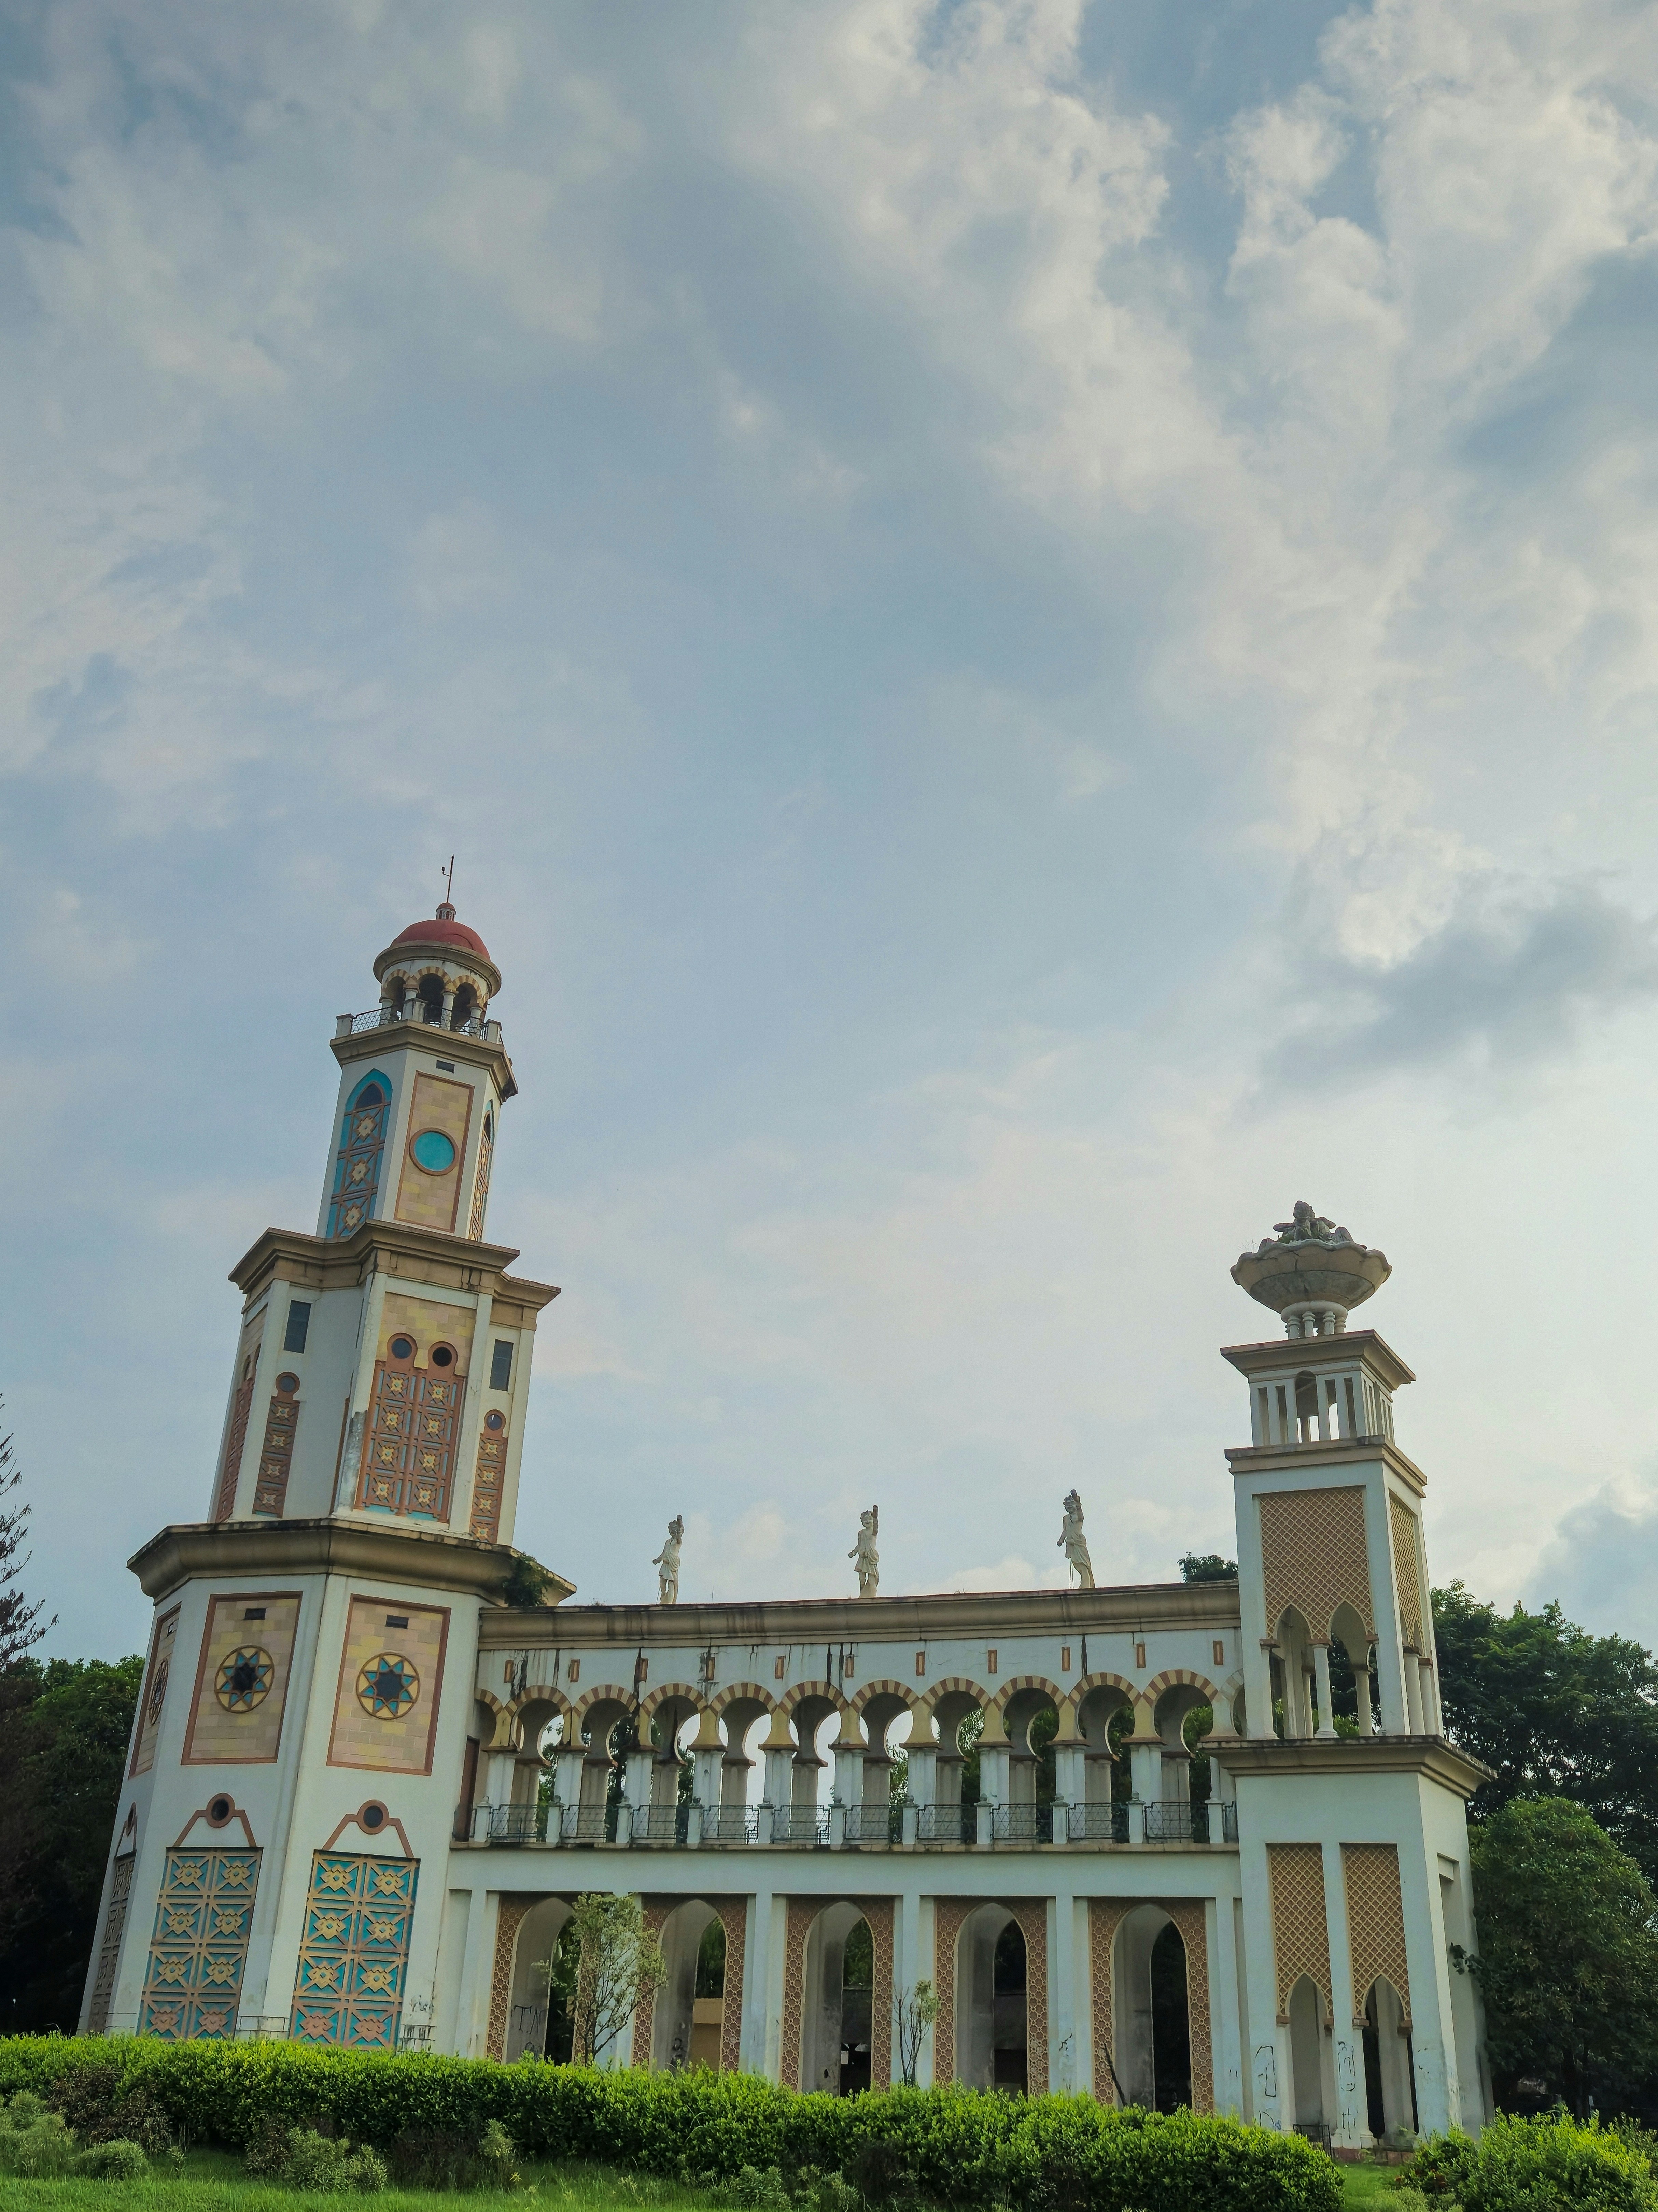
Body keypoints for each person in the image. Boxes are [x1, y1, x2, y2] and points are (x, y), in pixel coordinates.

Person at [850, 1505, 880, 1599]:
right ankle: (862, 1596)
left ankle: (873, 1597)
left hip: (871, 1558)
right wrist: (854, 1552)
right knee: (862, 1579)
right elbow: (859, 1545)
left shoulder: (873, 1532)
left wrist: (876, 1517)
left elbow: (876, 1526)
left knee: (872, 1580)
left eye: (870, 1519)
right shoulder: (861, 1533)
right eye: (865, 1520)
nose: (867, 1521)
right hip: (863, 1558)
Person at [653, 1515, 684, 1604]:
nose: (672, 1532)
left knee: (672, 1584)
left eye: (673, 1530)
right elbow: (664, 1552)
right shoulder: (668, 1541)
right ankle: (663, 1598)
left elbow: (679, 1539)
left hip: (673, 1563)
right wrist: (658, 1560)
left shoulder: (678, 1541)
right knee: (662, 1584)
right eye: (671, 1530)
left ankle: (670, 1601)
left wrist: (679, 1529)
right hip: (666, 1564)